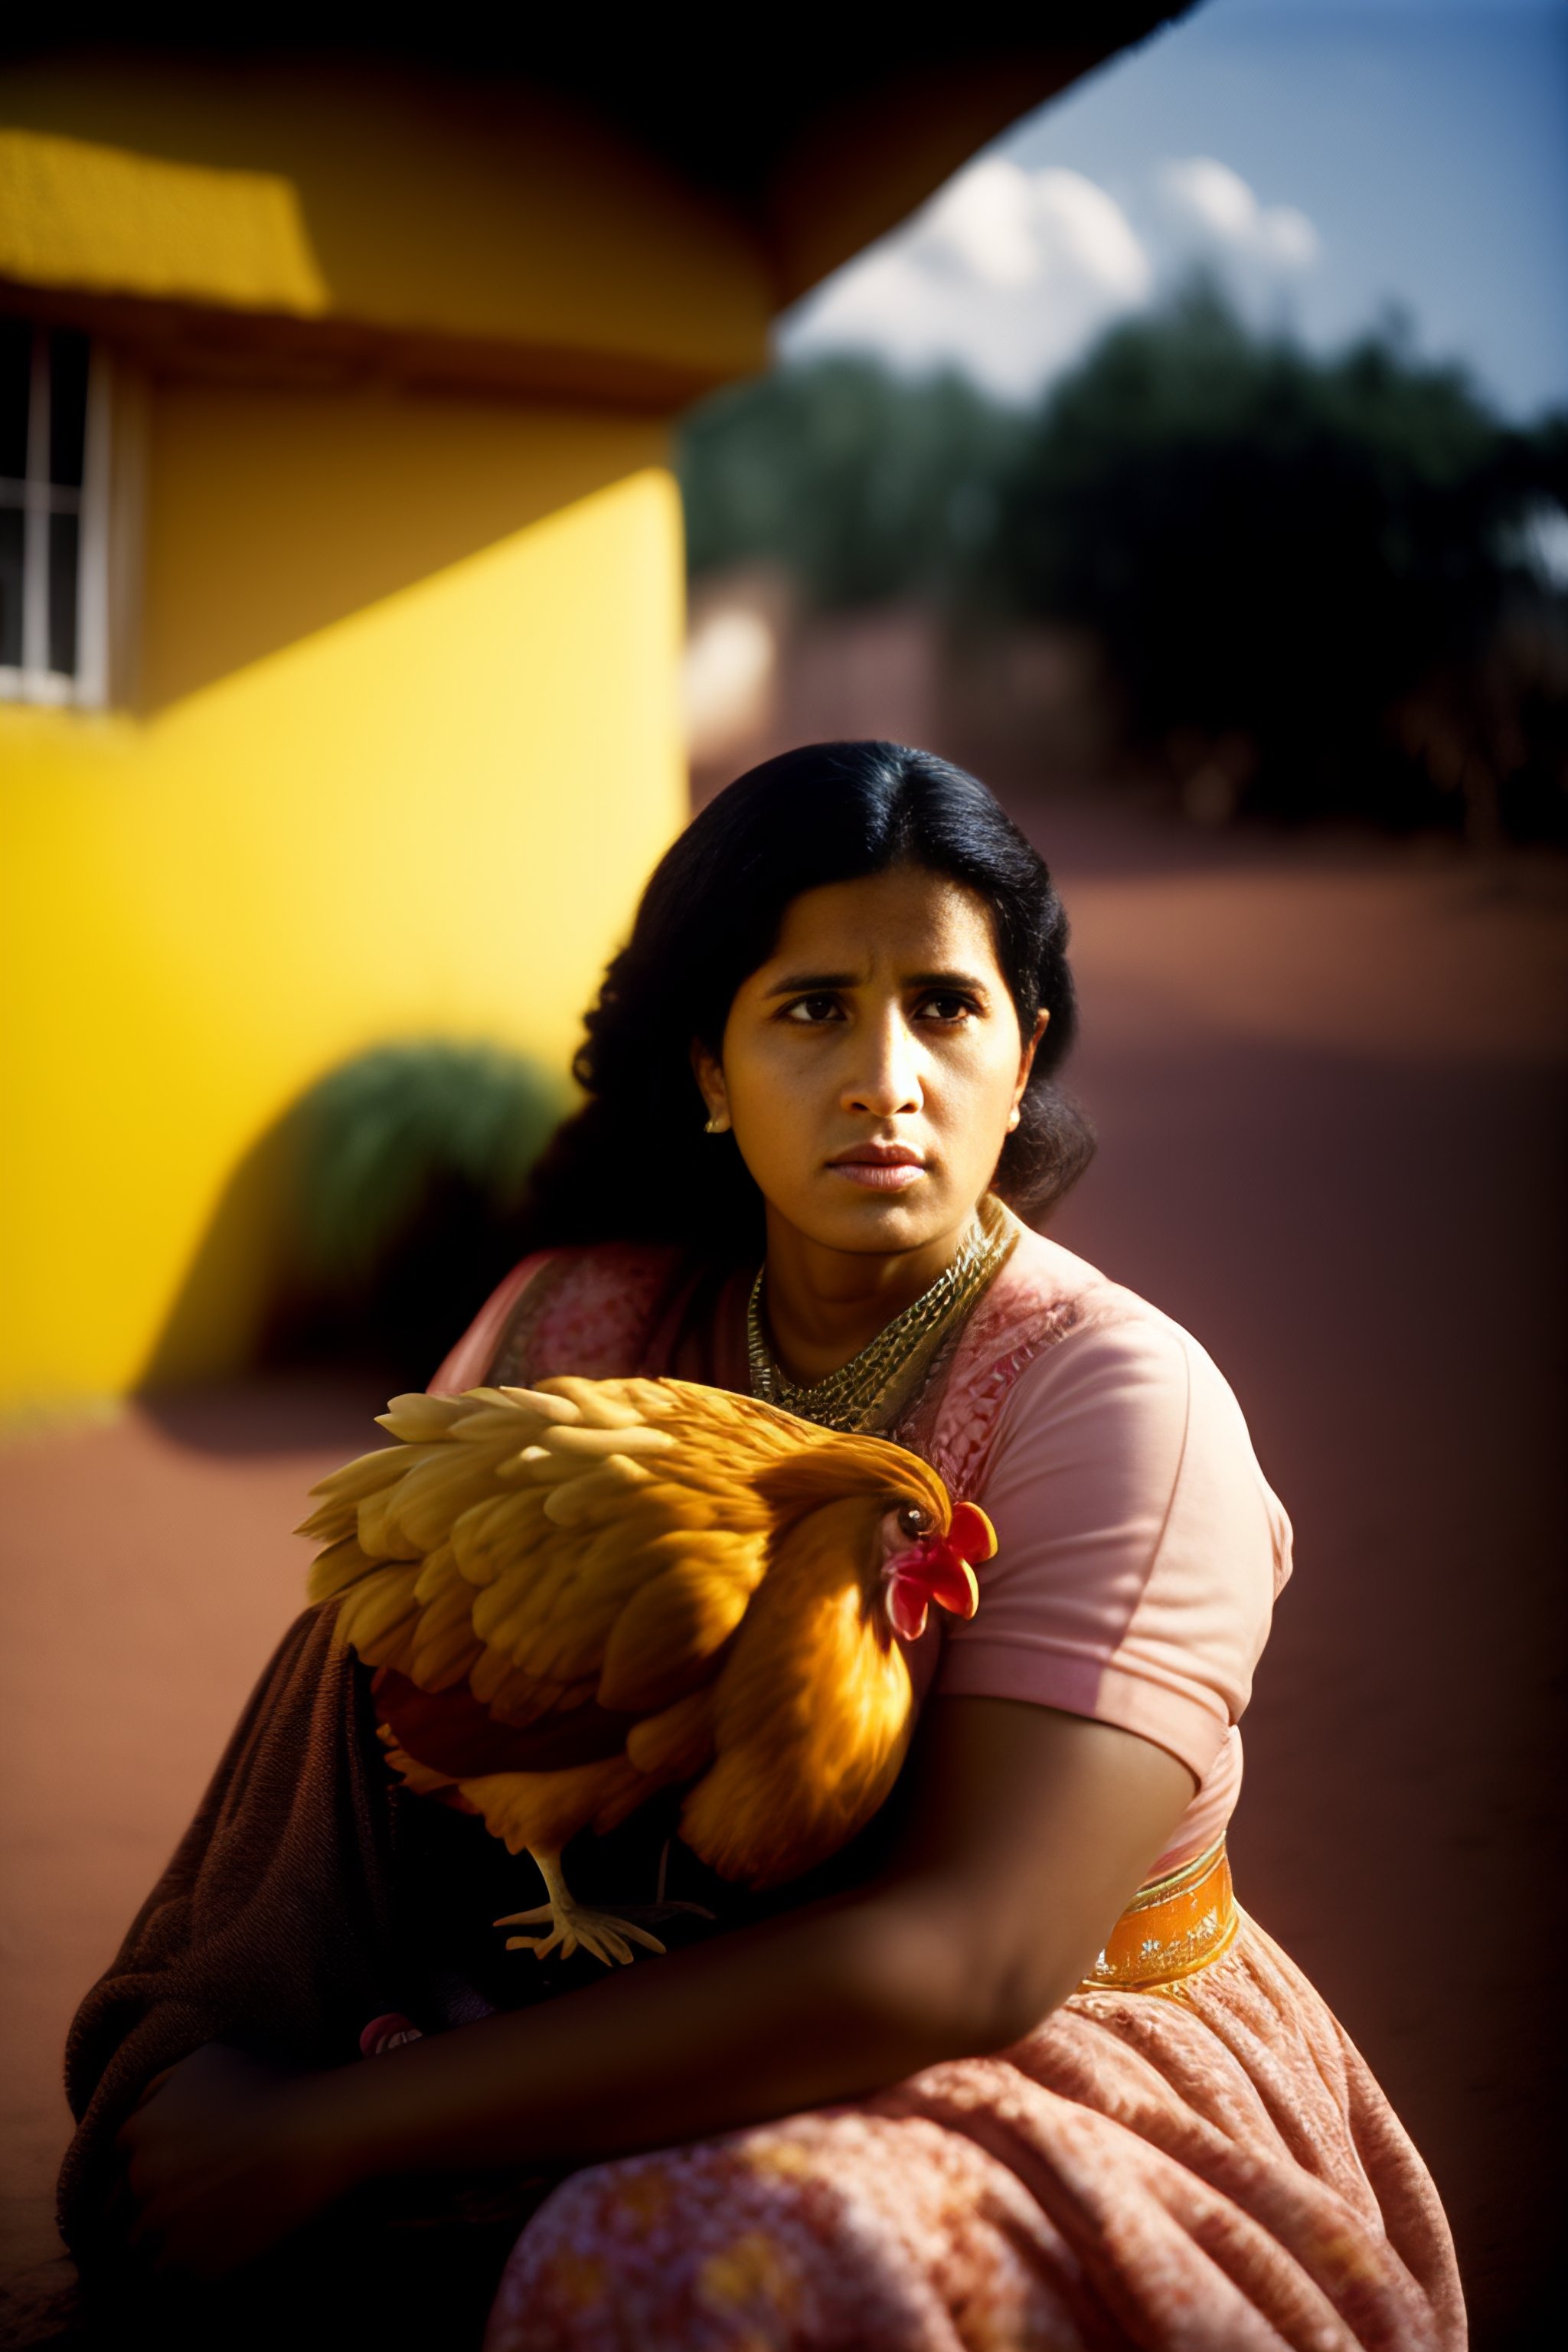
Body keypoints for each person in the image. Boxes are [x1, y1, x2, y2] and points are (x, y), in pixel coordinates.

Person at [64, 743, 1465, 2350]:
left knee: (687, 2252)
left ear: (1023, 1058)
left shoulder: (1115, 1405)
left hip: (1029, 2058)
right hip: (581, 1979)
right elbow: (384, 1731)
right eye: (810, 1009)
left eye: (943, 1006)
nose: (886, 1074)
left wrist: (328, 2132)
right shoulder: (576, 1322)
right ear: (711, 1071)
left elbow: (974, 1955)